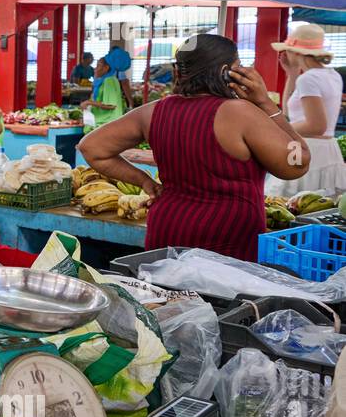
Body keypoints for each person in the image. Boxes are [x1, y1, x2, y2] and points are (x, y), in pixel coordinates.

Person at [78, 33, 308, 261]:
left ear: (178, 72)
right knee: (217, 299)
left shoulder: (153, 112)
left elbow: (91, 147)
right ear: (226, 73)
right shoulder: (241, 113)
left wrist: (145, 182)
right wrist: (265, 103)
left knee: (165, 296)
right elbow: (297, 163)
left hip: (166, 230)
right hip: (227, 238)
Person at [266, 23, 346, 196]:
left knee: (286, 203)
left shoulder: (308, 79)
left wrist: (276, 129)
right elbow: (290, 113)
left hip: (306, 147)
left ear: (296, 52)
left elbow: (316, 125)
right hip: (328, 150)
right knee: (318, 204)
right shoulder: (332, 75)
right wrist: (292, 74)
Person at [85, 44, 133, 125]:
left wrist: (88, 103)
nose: (95, 68)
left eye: (98, 66)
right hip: (102, 121)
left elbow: (111, 105)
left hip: (106, 123)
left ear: (106, 68)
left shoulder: (109, 81)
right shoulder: (103, 80)